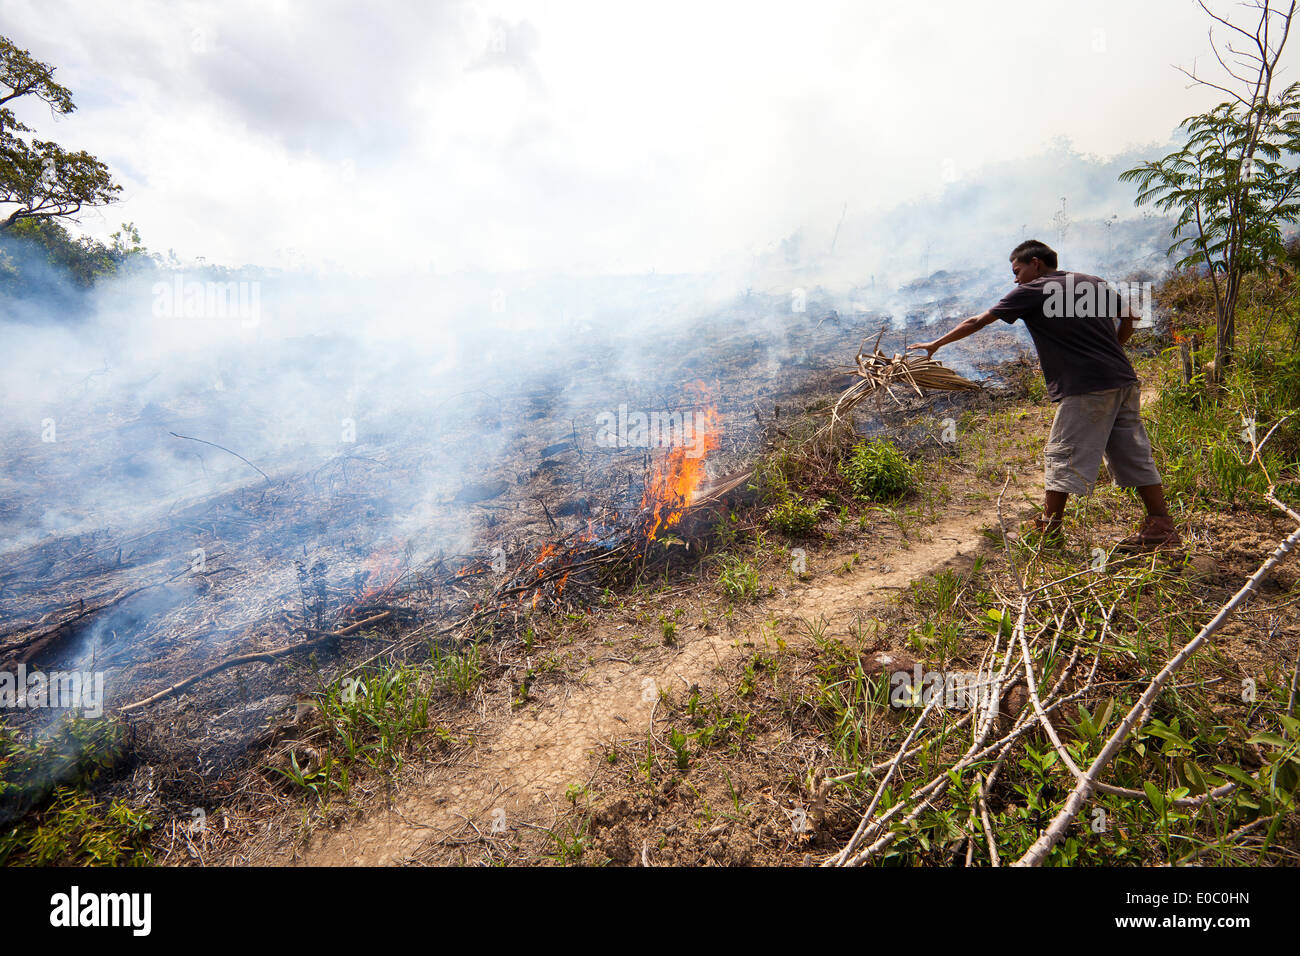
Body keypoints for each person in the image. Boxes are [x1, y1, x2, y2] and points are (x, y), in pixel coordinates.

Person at [911, 239, 1182, 552]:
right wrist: (1114, 349)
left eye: (1018, 270)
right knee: (1133, 453)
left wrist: (935, 344)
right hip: (1122, 380)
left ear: (1035, 263)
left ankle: (1049, 530)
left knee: (1062, 453)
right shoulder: (1092, 282)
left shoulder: (1032, 290)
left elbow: (977, 321)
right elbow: (1131, 317)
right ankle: (1161, 525)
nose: (1015, 278)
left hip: (1086, 387)